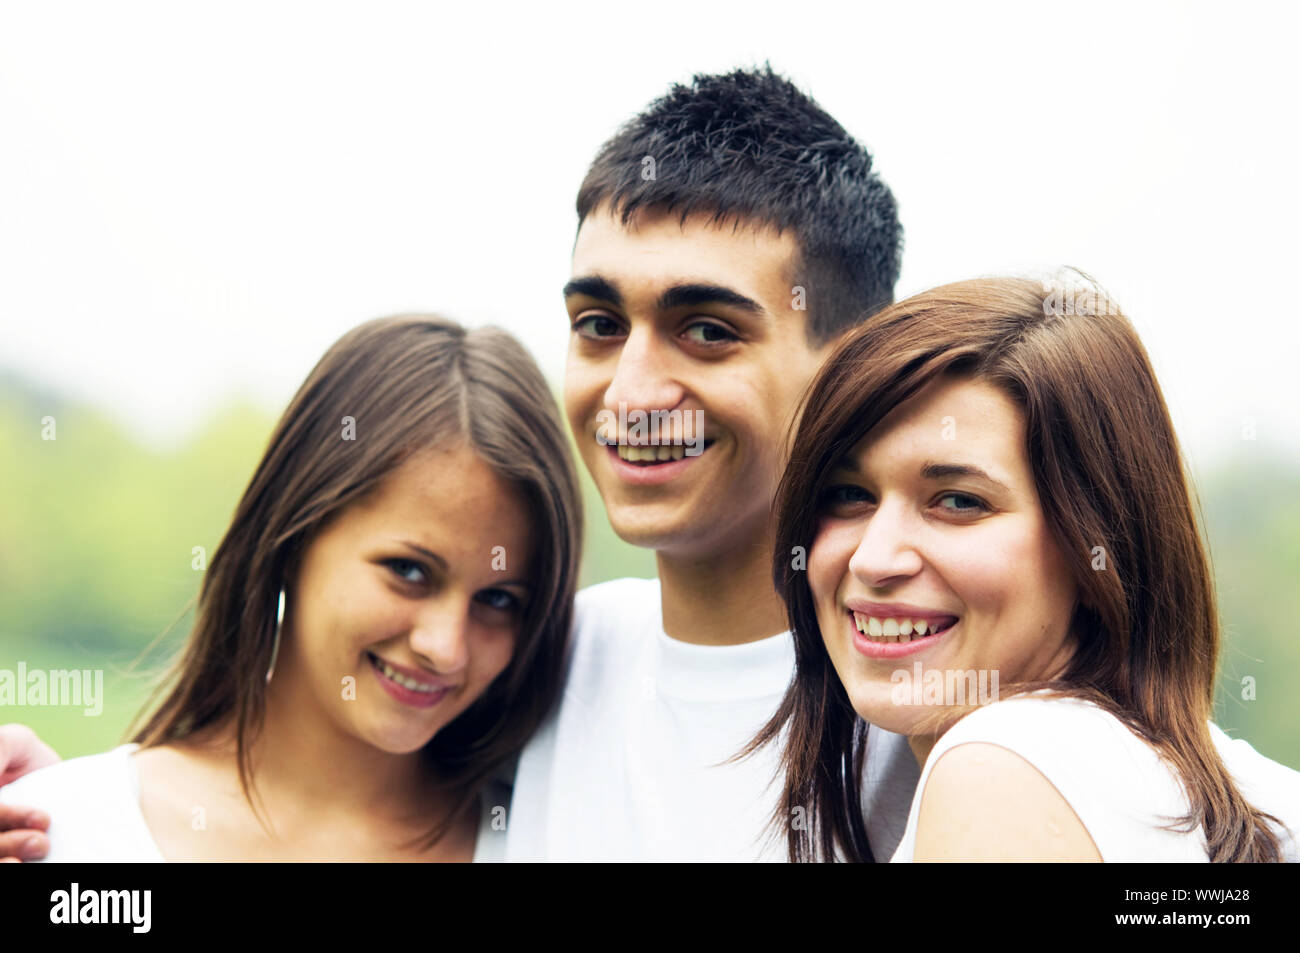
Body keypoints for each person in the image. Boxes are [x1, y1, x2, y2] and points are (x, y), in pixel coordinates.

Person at [753, 275, 1300, 861]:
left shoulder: (1001, 766)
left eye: (960, 501)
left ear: (1096, 552)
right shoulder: (1218, 790)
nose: (875, 559)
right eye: (849, 494)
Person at [0, 315, 582, 861]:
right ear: (290, 540)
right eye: (409, 571)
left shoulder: (553, 843)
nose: (445, 646)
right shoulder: (61, 832)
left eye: (500, 599)